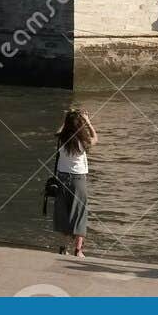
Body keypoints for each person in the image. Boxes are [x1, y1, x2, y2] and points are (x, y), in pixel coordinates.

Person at [53, 107, 97, 257]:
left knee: (63, 213)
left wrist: (66, 118)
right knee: (80, 213)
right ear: (79, 124)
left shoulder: (61, 138)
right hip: (78, 180)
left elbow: (60, 130)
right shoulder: (82, 141)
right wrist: (88, 122)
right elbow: (95, 138)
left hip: (62, 179)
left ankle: (62, 248)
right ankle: (78, 250)